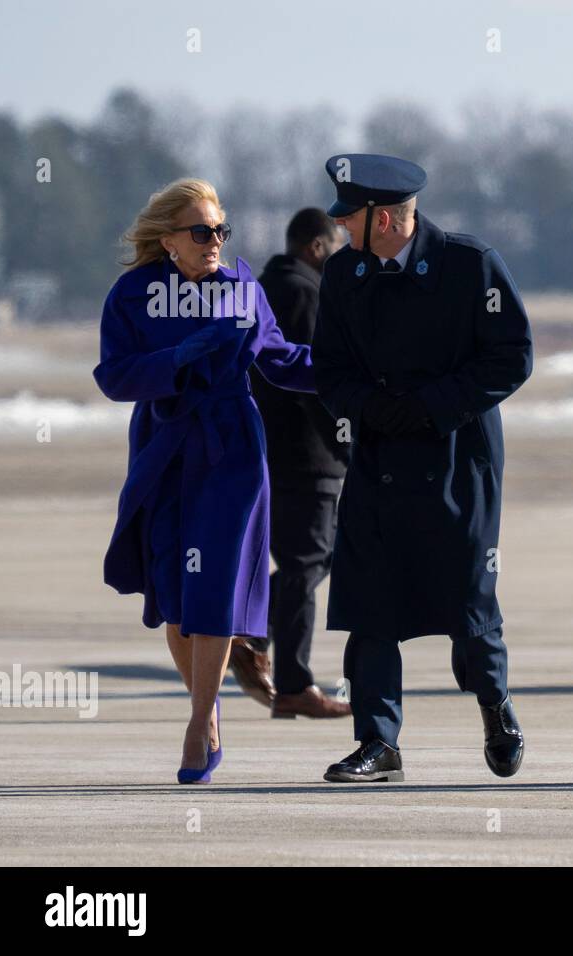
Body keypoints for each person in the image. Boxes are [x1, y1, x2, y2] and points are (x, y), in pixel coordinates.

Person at [311, 154, 534, 783]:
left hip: (458, 461)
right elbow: (327, 369)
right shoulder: (343, 273)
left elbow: (512, 355)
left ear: (382, 219)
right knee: (370, 602)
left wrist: (433, 407)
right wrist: (375, 408)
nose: (340, 229)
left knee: (467, 599)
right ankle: (379, 743)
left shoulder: (471, 265)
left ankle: (495, 706)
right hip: (379, 458)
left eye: (348, 217)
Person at [94, 178, 316, 782]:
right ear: (168, 239)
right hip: (165, 446)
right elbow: (113, 377)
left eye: (221, 229)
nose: (214, 240)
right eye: (201, 231)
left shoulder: (245, 289)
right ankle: (210, 699)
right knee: (174, 593)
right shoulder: (133, 295)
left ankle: (199, 721)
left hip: (231, 451)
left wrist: (356, 377)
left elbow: (281, 359)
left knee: (214, 584)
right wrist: (176, 359)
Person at [235, 209, 351, 719]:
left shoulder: (263, 289)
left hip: (270, 452)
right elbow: (311, 382)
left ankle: (250, 638)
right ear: (316, 247)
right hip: (308, 455)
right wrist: (345, 443)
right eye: (337, 245)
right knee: (307, 564)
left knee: (307, 562)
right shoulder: (304, 293)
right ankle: (294, 682)